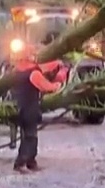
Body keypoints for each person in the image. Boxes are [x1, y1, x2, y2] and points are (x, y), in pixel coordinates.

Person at [10, 43, 67, 173]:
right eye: (33, 54)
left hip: (21, 107)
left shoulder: (18, 70)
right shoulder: (33, 73)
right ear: (29, 56)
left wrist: (56, 64)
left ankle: (31, 161)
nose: (35, 56)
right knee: (29, 136)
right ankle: (21, 163)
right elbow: (46, 86)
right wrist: (58, 84)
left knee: (30, 135)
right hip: (29, 108)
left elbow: (42, 68)